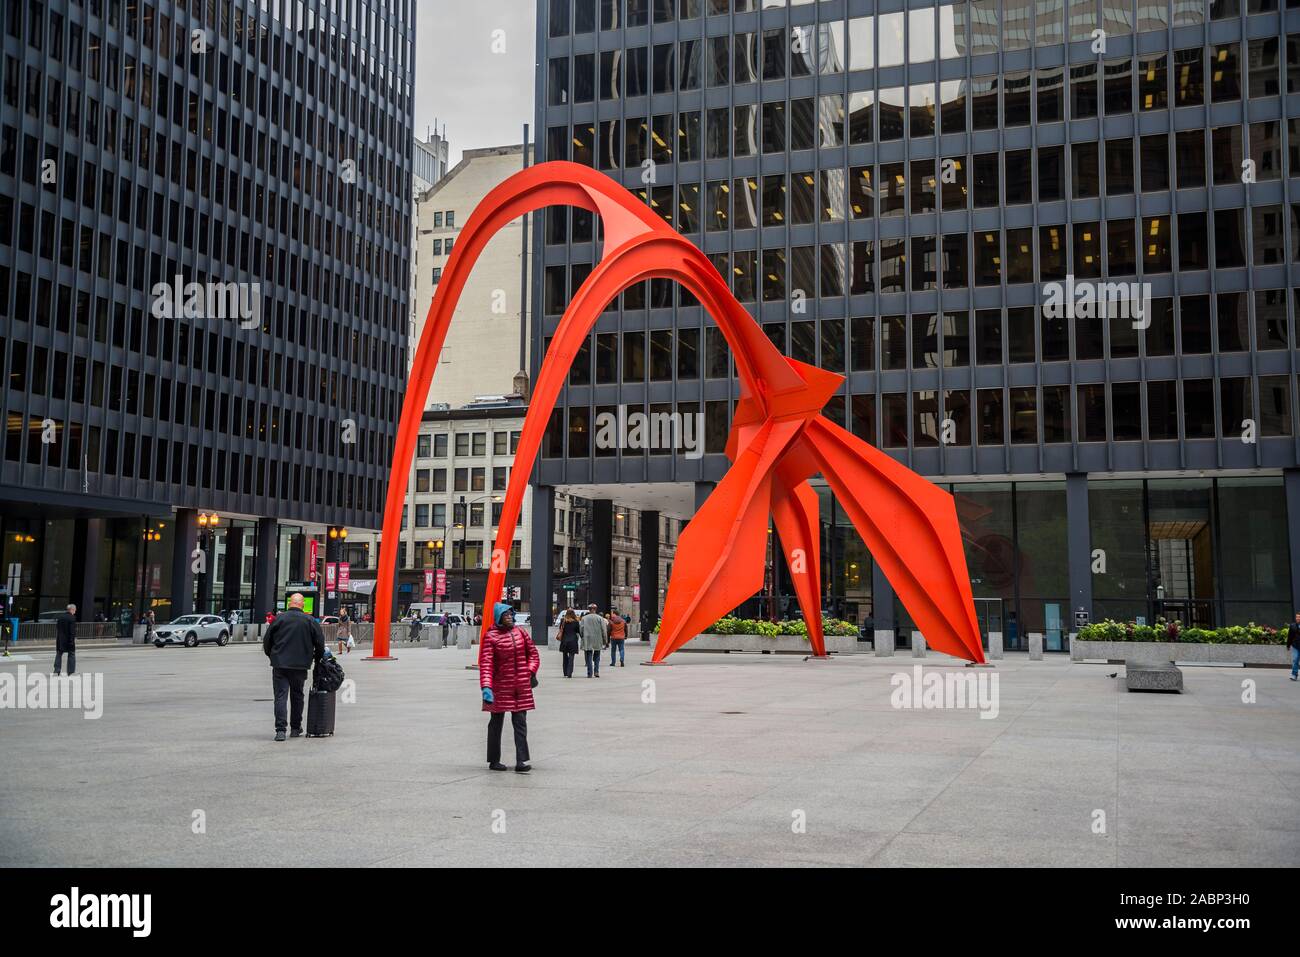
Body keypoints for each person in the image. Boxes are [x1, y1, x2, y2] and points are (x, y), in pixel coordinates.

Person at [478, 602, 539, 773]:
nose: (510, 618)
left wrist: (529, 670)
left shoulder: (521, 632)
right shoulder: (491, 637)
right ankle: (494, 760)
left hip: (520, 687)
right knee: (496, 724)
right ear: (499, 618)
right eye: (506, 616)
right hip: (499, 688)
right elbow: (487, 664)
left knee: (520, 723)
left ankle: (522, 760)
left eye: (511, 615)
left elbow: (533, 654)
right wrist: (486, 687)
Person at [261, 592, 325, 742]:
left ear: (290, 603)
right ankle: (296, 728)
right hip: (300, 665)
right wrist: (316, 658)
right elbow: (320, 643)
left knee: (280, 696)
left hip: (280, 664)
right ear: (302, 604)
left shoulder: (279, 619)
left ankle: (281, 730)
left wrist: (273, 656)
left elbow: (267, 641)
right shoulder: (310, 621)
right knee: (297, 696)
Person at [579, 603, 608, 678]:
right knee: (597, 655)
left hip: (587, 639)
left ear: (589, 609)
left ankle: (589, 673)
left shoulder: (584, 618)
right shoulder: (600, 618)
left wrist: (582, 636)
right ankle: (596, 671)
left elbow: (581, 629)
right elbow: (604, 630)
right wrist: (605, 640)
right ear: (595, 609)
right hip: (598, 639)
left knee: (588, 655)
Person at [54, 603, 77, 676]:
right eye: (75, 610)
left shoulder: (60, 617)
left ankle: (57, 670)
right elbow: (72, 631)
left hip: (60, 640)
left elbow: (57, 627)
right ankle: (70, 671)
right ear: (72, 610)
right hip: (69, 640)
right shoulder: (72, 618)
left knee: (59, 654)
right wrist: (72, 641)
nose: (75, 612)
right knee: (71, 654)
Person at [558, 608, 581, 678]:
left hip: (564, 641)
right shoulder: (576, 622)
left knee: (565, 657)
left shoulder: (563, 621)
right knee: (571, 658)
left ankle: (565, 672)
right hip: (573, 641)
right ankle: (569, 673)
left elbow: (561, 629)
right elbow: (578, 631)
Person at [1288, 613, 1300, 681]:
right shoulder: (1292, 626)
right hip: (1295, 645)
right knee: (1295, 660)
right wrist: (1288, 645)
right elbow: (1290, 636)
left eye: (1299, 617)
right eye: (1297, 617)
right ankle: (1294, 674)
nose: (1298, 618)